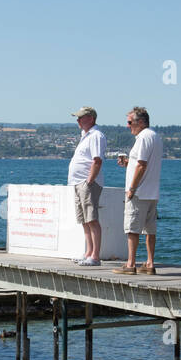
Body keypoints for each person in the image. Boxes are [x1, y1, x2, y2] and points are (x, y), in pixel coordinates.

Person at [113, 106, 162, 275]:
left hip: (139, 192)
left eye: (129, 122)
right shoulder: (155, 136)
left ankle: (130, 263)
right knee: (150, 230)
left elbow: (141, 164)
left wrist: (132, 188)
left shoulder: (142, 138)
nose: (128, 126)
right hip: (152, 192)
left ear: (140, 122)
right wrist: (128, 163)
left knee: (132, 228)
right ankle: (149, 263)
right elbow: (142, 164)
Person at [67, 106, 106, 266]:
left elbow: (97, 160)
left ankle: (95, 256)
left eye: (81, 117)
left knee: (92, 219)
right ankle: (88, 252)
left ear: (90, 118)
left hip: (86, 182)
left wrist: (90, 180)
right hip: (79, 182)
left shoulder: (96, 135)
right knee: (84, 220)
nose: (78, 120)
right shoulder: (86, 135)